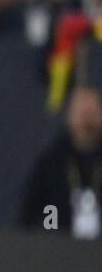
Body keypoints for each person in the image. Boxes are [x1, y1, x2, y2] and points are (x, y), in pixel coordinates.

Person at [20, 85, 102, 238]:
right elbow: (36, 212)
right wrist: (52, 233)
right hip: (61, 248)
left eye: (93, 113)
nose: (87, 121)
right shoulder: (51, 165)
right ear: (70, 117)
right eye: (83, 114)